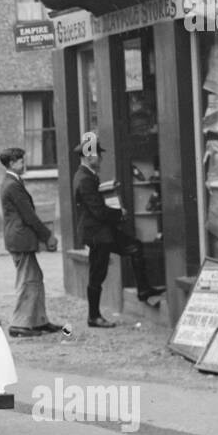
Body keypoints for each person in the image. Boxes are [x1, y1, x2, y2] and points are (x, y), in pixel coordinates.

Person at [72, 131, 164, 328]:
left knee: (135, 247)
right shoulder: (85, 179)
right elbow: (98, 211)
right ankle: (93, 316)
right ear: (89, 156)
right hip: (97, 234)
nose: (102, 158)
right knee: (98, 272)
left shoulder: (86, 176)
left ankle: (143, 290)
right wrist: (119, 213)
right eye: (99, 155)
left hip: (102, 232)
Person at [0, 147, 62, 338]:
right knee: (27, 280)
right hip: (20, 239)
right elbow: (29, 216)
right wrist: (47, 236)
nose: (24, 163)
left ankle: (38, 321)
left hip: (19, 238)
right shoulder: (12, 185)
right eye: (20, 161)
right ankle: (20, 324)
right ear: (11, 163)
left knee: (35, 278)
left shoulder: (13, 182)